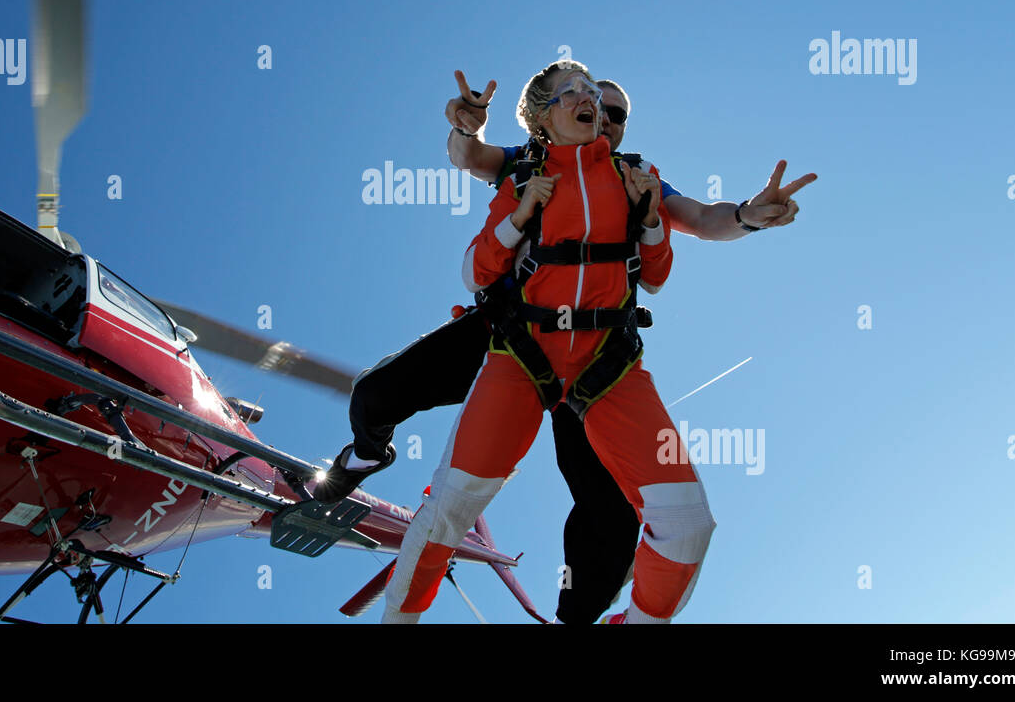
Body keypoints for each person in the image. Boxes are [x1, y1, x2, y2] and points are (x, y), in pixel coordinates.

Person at [317, 64, 814, 622]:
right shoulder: (531, 161)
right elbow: (470, 159)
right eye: (592, 100)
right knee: (378, 393)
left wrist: (748, 215)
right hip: (506, 328)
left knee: (614, 513)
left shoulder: (635, 179)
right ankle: (362, 457)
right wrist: (466, 129)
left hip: (597, 354)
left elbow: (701, 218)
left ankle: (575, 619)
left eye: (617, 112)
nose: (604, 114)